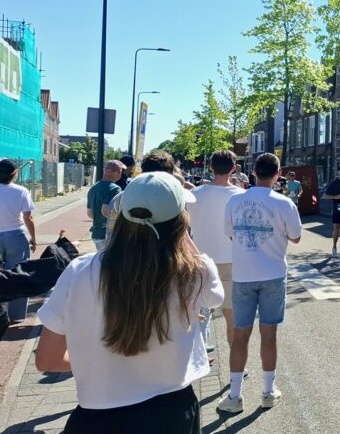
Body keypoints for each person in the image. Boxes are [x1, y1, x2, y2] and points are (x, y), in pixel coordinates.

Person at [35, 172, 223, 433]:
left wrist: (99, 363)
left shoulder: (80, 270)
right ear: (180, 222)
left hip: (97, 417)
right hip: (171, 415)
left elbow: (47, 360)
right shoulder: (196, 272)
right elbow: (215, 298)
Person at [218, 153, 301, 414]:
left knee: (240, 335)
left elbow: (230, 234)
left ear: (253, 173)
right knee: (269, 334)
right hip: (274, 274)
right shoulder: (285, 203)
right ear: (278, 174)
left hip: (243, 275)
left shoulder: (235, 200)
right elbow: (296, 237)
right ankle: (267, 391)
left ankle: (234, 395)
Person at [186, 150, 244, 357]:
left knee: (197, 314)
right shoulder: (241, 197)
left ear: (211, 168)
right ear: (234, 169)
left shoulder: (195, 195)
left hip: (199, 261)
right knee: (233, 318)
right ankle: (237, 365)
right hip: (231, 262)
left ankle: (195, 361)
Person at [0, 159, 37, 322]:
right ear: (14, 173)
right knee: (18, 273)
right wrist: (33, 238)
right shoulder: (21, 191)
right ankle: (15, 315)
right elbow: (28, 217)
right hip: (16, 235)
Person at [87, 160, 124, 252]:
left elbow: (90, 214)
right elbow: (106, 211)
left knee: (101, 261)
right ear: (119, 172)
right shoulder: (114, 189)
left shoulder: (93, 188)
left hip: (96, 234)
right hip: (108, 234)